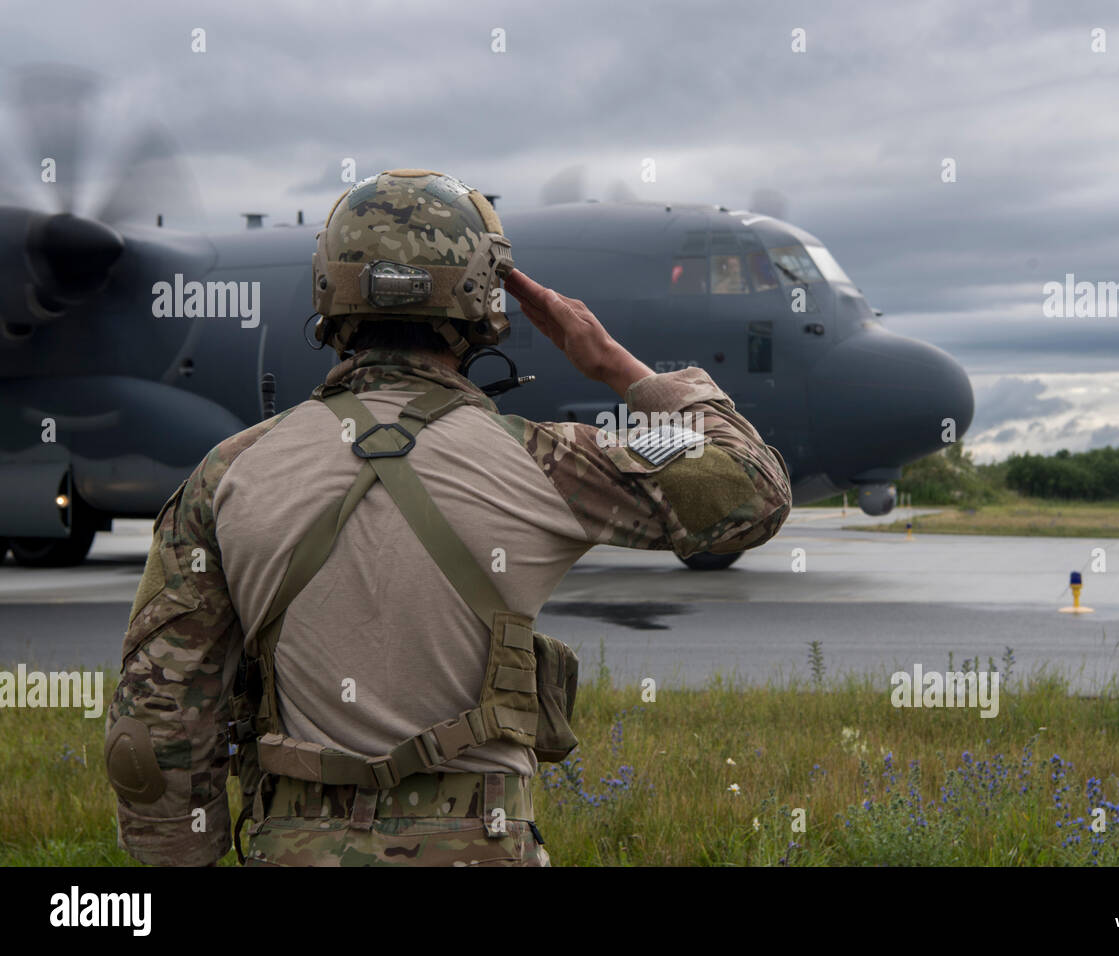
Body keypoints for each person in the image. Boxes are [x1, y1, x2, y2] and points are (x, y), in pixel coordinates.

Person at [104, 169, 792, 866]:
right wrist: (618, 367)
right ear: (488, 301)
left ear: (327, 292)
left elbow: (154, 722)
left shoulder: (226, 475)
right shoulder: (543, 462)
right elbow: (752, 491)